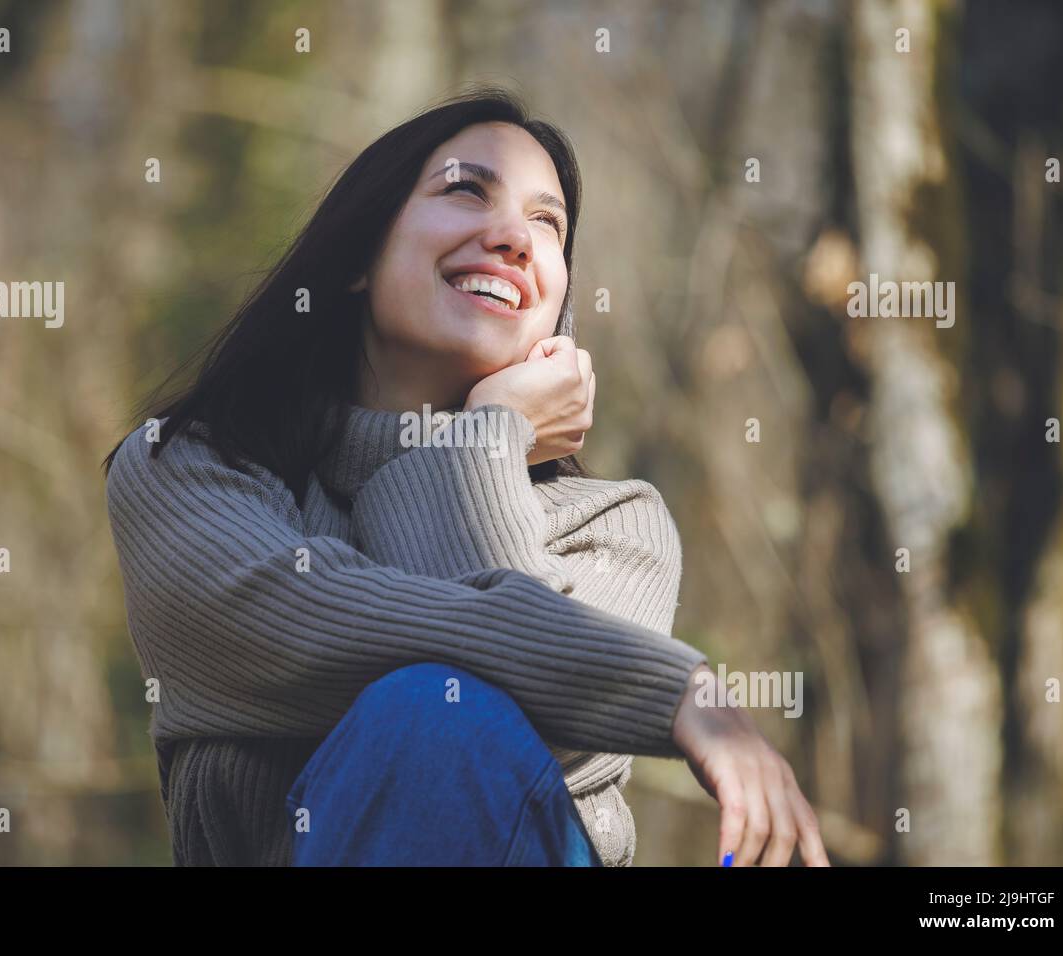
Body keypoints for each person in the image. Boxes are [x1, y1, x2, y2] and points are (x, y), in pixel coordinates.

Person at [103, 86, 829, 868]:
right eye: (463, 189)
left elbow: (519, 732)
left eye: (547, 223)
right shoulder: (190, 466)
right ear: (355, 256)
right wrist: (673, 691)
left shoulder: (617, 525)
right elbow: (309, 626)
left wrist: (479, 443)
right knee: (422, 710)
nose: (515, 237)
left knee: (438, 718)